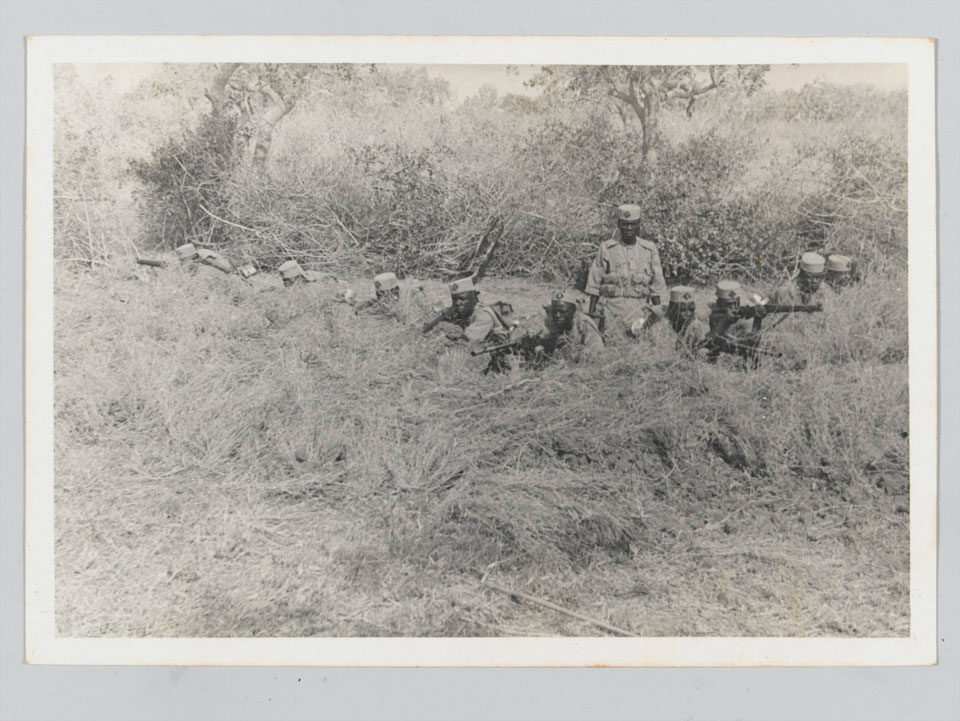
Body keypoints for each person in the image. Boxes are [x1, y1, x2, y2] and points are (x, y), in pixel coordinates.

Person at [583, 203, 668, 340]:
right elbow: (594, 284)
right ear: (618, 224)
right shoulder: (607, 248)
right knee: (613, 343)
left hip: (640, 310)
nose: (629, 228)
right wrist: (592, 317)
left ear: (639, 224)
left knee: (644, 344)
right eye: (625, 224)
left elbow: (656, 287)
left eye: (633, 224)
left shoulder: (649, 249)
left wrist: (657, 315)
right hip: (612, 310)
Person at [427, 276, 514, 352]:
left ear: (473, 299)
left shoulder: (484, 315)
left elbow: (468, 342)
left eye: (462, 299)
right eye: (455, 299)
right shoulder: (462, 310)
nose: (457, 303)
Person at [664, 285, 710, 352]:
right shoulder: (662, 325)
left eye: (691, 310)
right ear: (672, 308)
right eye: (682, 310)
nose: (688, 314)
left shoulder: (697, 325)